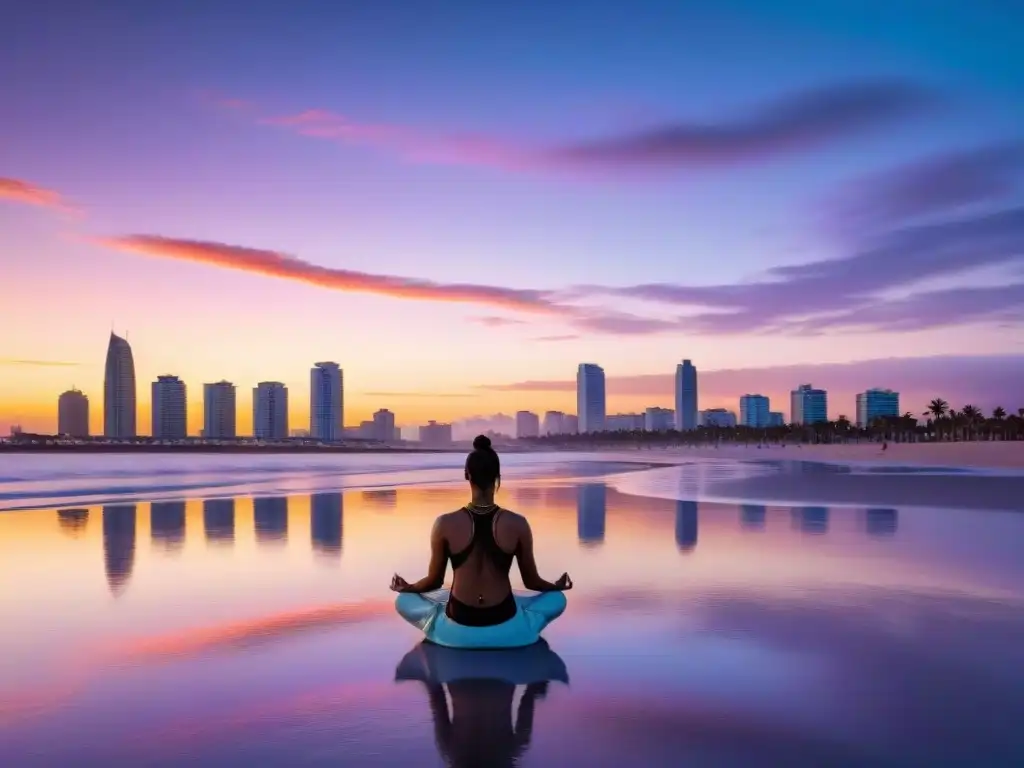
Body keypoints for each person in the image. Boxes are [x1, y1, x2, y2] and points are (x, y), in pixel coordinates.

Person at [390, 435, 572, 628]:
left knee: (404, 600)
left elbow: (434, 582)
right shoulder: (518, 523)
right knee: (557, 599)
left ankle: (438, 625)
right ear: (497, 477)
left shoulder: (444, 523)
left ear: (467, 474)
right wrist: (555, 587)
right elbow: (532, 582)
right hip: (502, 614)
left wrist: (408, 588)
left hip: (460, 615)